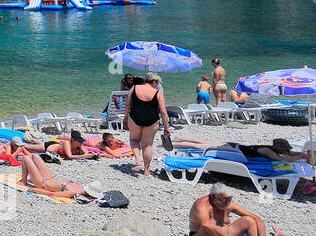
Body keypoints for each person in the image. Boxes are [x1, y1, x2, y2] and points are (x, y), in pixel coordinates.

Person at [125, 72, 170, 177]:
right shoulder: (158, 93)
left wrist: (126, 117)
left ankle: (137, 161)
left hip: (135, 117)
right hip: (151, 120)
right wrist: (166, 127)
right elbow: (163, 111)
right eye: (157, 82)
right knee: (147, 145)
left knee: (134, 140)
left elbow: (127, 104)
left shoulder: (134, 88)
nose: (158, 84)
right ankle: (146, 170)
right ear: (154, 82)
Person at [169, 137, 305, 161]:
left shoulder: (273, 148)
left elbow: (288, 153)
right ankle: (173, 145)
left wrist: (303, 154)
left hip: (234, 145)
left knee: (205, 142)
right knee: (200, 146)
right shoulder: (269, 151)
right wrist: (299, 157)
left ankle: (180, 139)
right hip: (232, 150)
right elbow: (279, 158)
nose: (288, 151)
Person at [19, 152, 86, 198]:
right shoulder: (81, 188)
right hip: (49, 178)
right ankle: (31, 179)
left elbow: (52, 194)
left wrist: (34, 190)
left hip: (42, 184)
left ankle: (23, 182)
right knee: (35, 155)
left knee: (25, 158)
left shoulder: (73, 192)